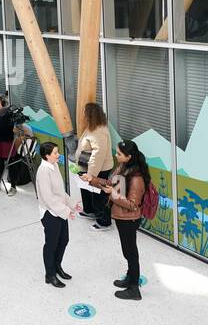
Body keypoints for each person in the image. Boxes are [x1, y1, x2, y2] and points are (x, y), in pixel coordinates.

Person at [88, 140, 148, 301]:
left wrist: (113, 193)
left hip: (129, 219)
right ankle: (130, 277)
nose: (116, 155)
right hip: (122, 217)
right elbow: (111, 184)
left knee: (131, 253)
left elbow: (133, 205)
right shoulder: (123, 168)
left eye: (119, 154)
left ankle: (134, 289)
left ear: (128, 157)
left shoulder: (136, 178)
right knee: (127, 251)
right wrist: (92, 179)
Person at [35, 142, 79, 287]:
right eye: (55, 153)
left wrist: (72, 204)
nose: (58, 154)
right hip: (50, 213)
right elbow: (48, 197)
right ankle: (50, 274)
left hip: (59, 210)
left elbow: (60, 192)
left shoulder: (54, 166)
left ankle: (57, 266)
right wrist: (67, 211)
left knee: (64, 240)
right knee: (51, 244)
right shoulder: (43, 171)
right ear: (47, 156)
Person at [75, 102, 114, 230]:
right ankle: (89, 211)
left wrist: (91, 175)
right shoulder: (92, 127)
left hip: (98, 169)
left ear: (90, 115)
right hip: (86, 166)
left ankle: (104, 221)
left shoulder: (99, 131)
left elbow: (98, 155)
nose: (83, 115)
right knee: (86, 191)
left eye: (85, 113)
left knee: (99, 195)